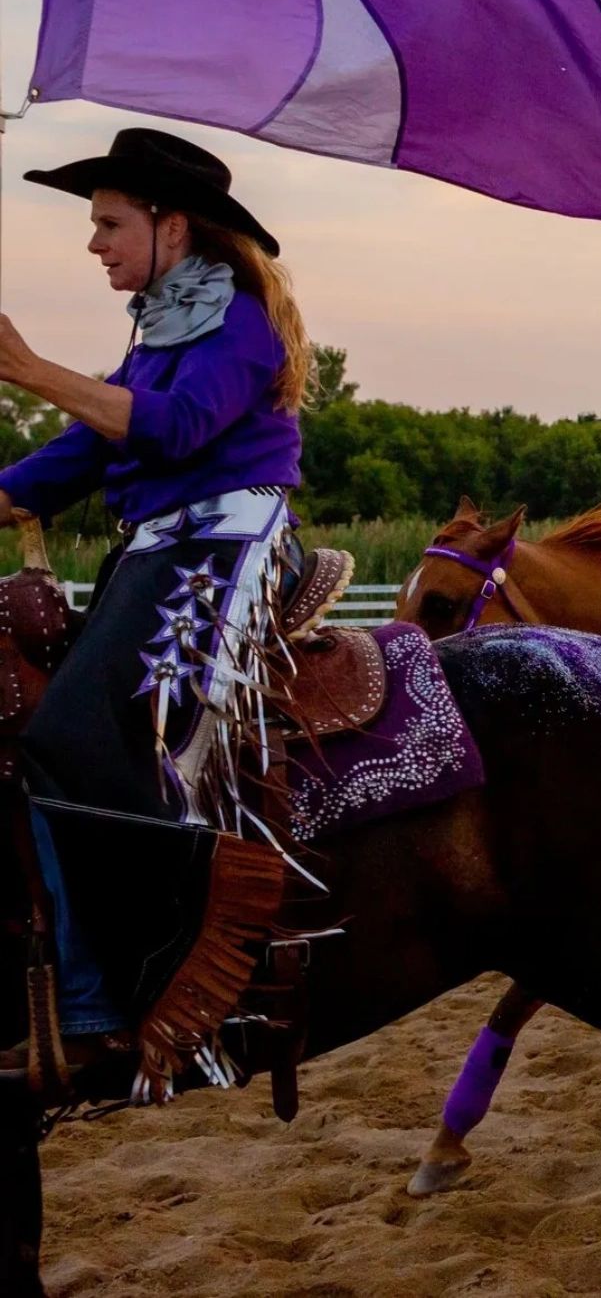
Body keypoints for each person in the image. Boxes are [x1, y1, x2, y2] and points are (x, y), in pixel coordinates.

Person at [0, 129, 309, 1072]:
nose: (94, 243)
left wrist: (32, 370)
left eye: (108, 223)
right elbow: (78, 458)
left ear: (172, 228)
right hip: (161, 549)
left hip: (224, 544)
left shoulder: (242, 324)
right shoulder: (159, 332)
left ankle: (148, 977)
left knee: (83, 737)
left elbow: (174, 431)